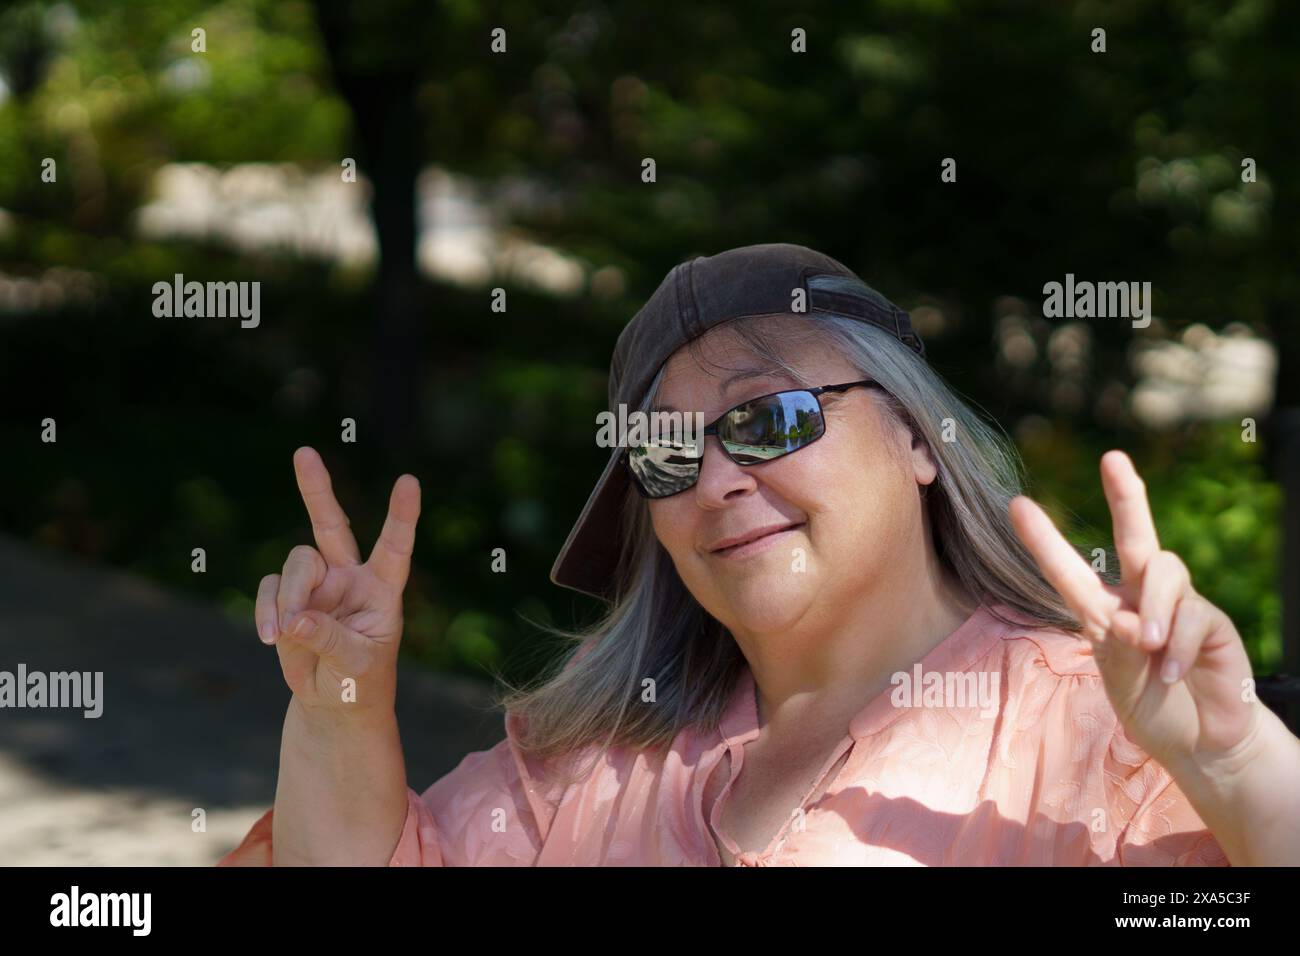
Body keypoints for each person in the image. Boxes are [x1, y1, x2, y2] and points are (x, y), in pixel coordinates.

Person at [217, 243, 1300, 866]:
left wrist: (1234, 766)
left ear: (920, 440)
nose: (719, 478)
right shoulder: (584, 765)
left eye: (770, 419)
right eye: (664, 451)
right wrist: (340, 709)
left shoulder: (1097, 727)